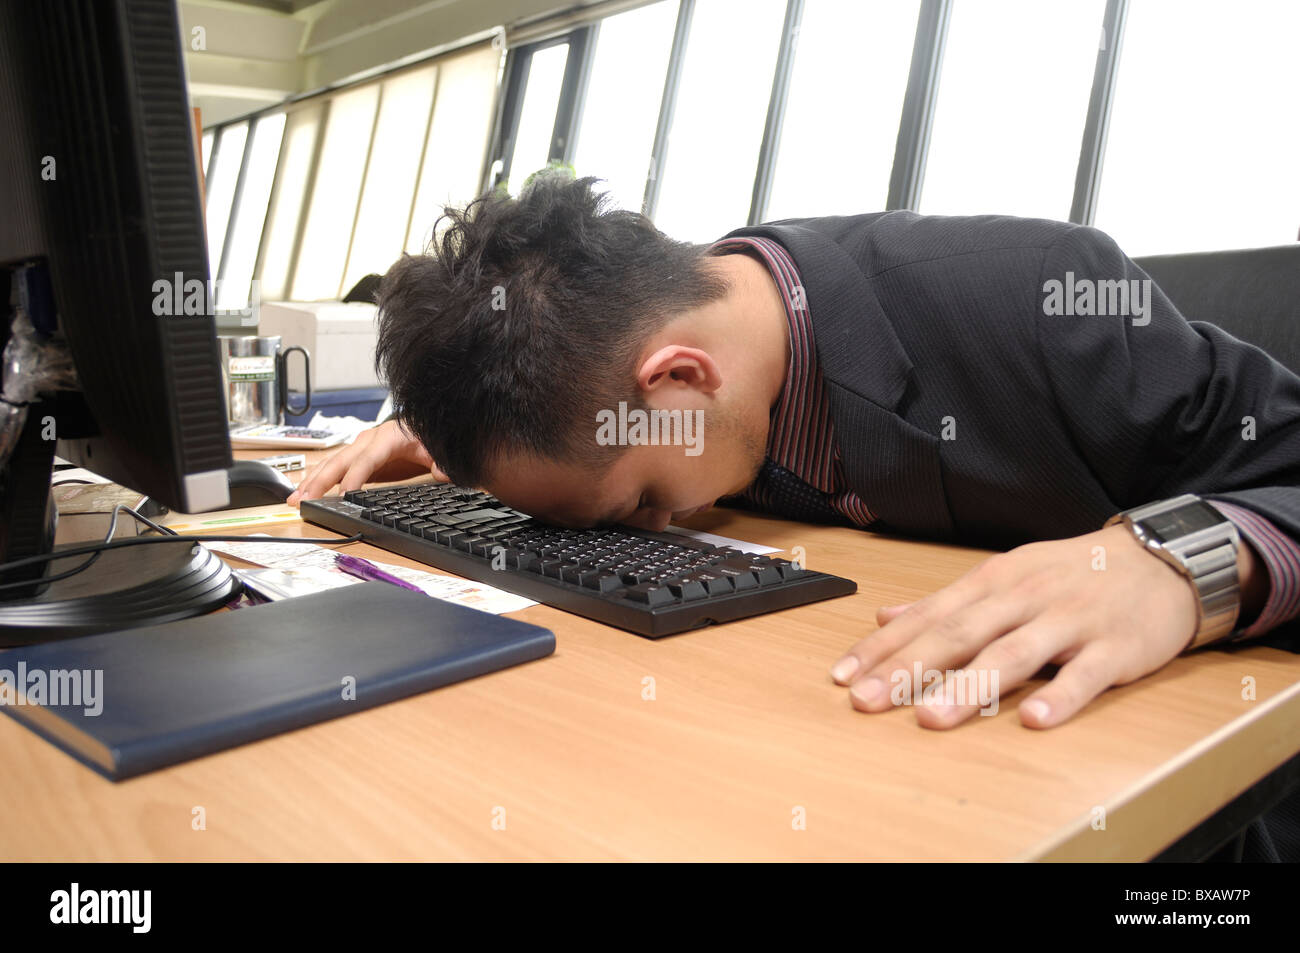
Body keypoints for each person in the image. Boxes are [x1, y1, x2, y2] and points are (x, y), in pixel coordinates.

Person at [289, 173, 1300, 733]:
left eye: (638, 498)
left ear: (679, 379)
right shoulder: (665, 340)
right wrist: (458, 434)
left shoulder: (1047, 300)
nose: (656, 526)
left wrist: (1183, 558)